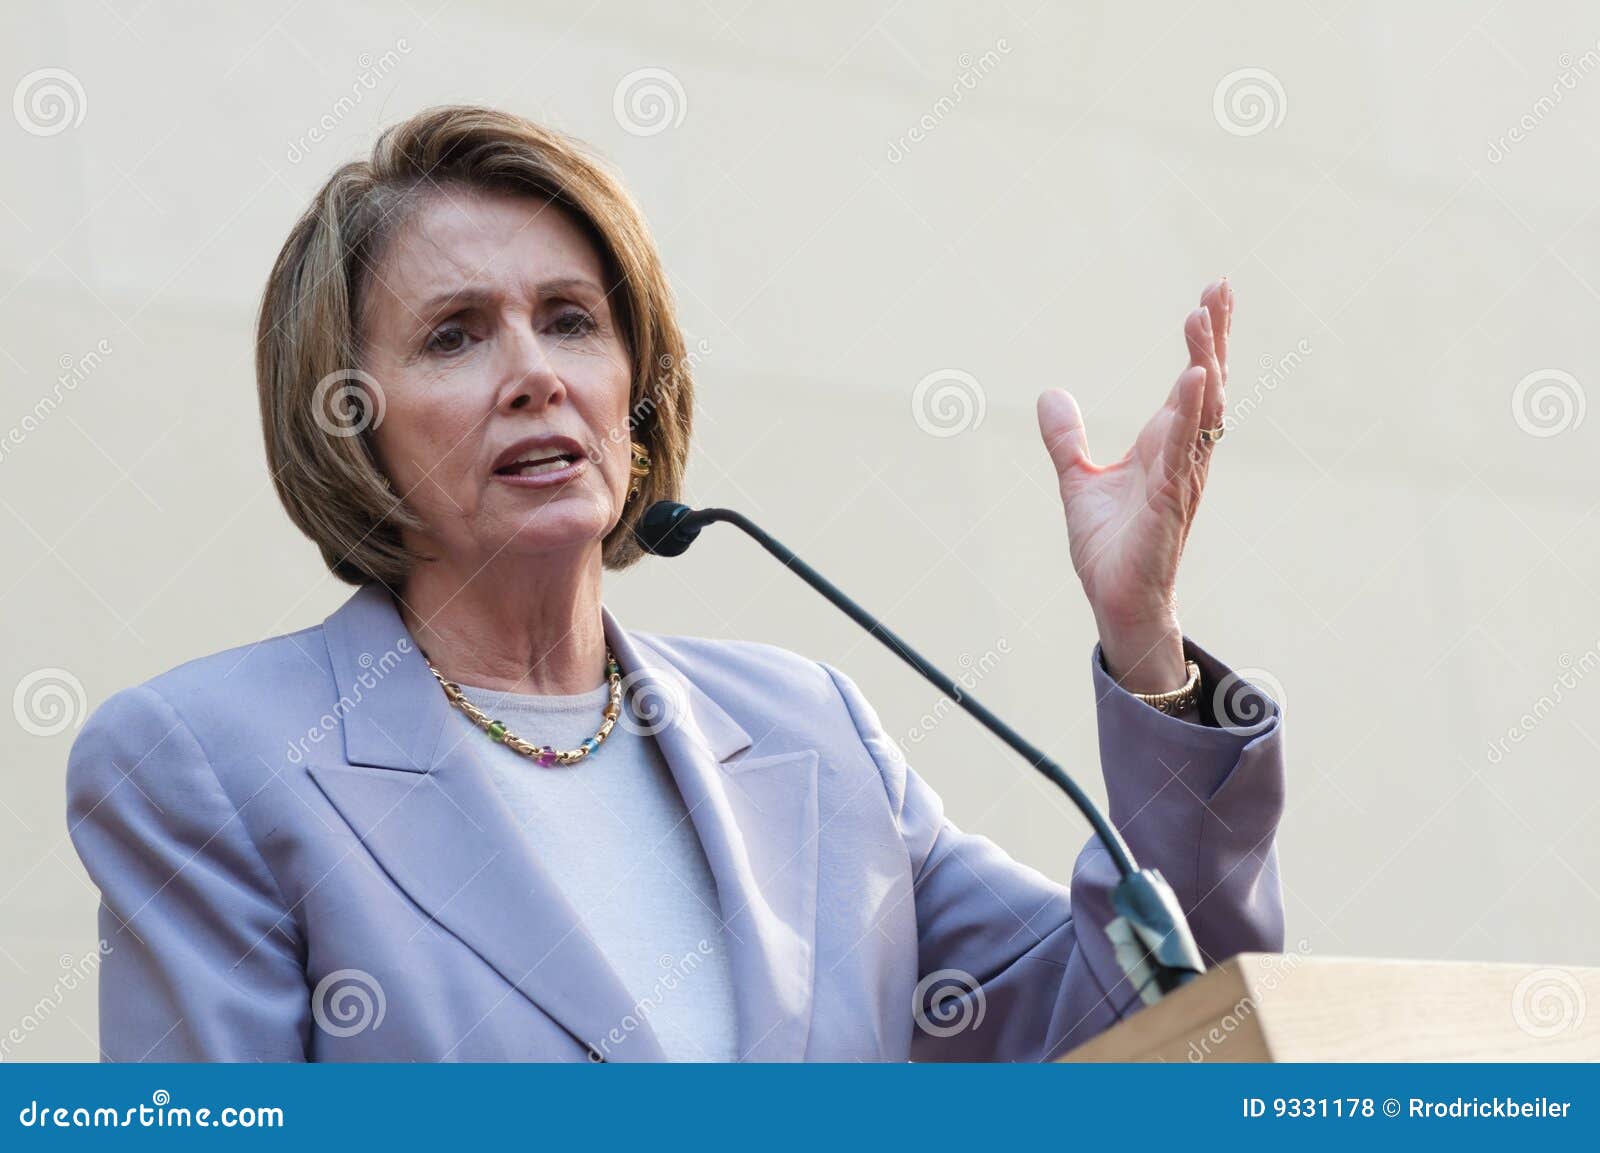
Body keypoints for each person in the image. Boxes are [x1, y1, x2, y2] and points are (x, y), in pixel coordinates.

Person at [65, 105, 1284, 1062]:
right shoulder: (208, 764)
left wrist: (1144, 648)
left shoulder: (812, 732)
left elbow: (1172, 1024)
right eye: (455, 334)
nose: (535, 373)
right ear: (350, 423)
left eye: (572, 320)